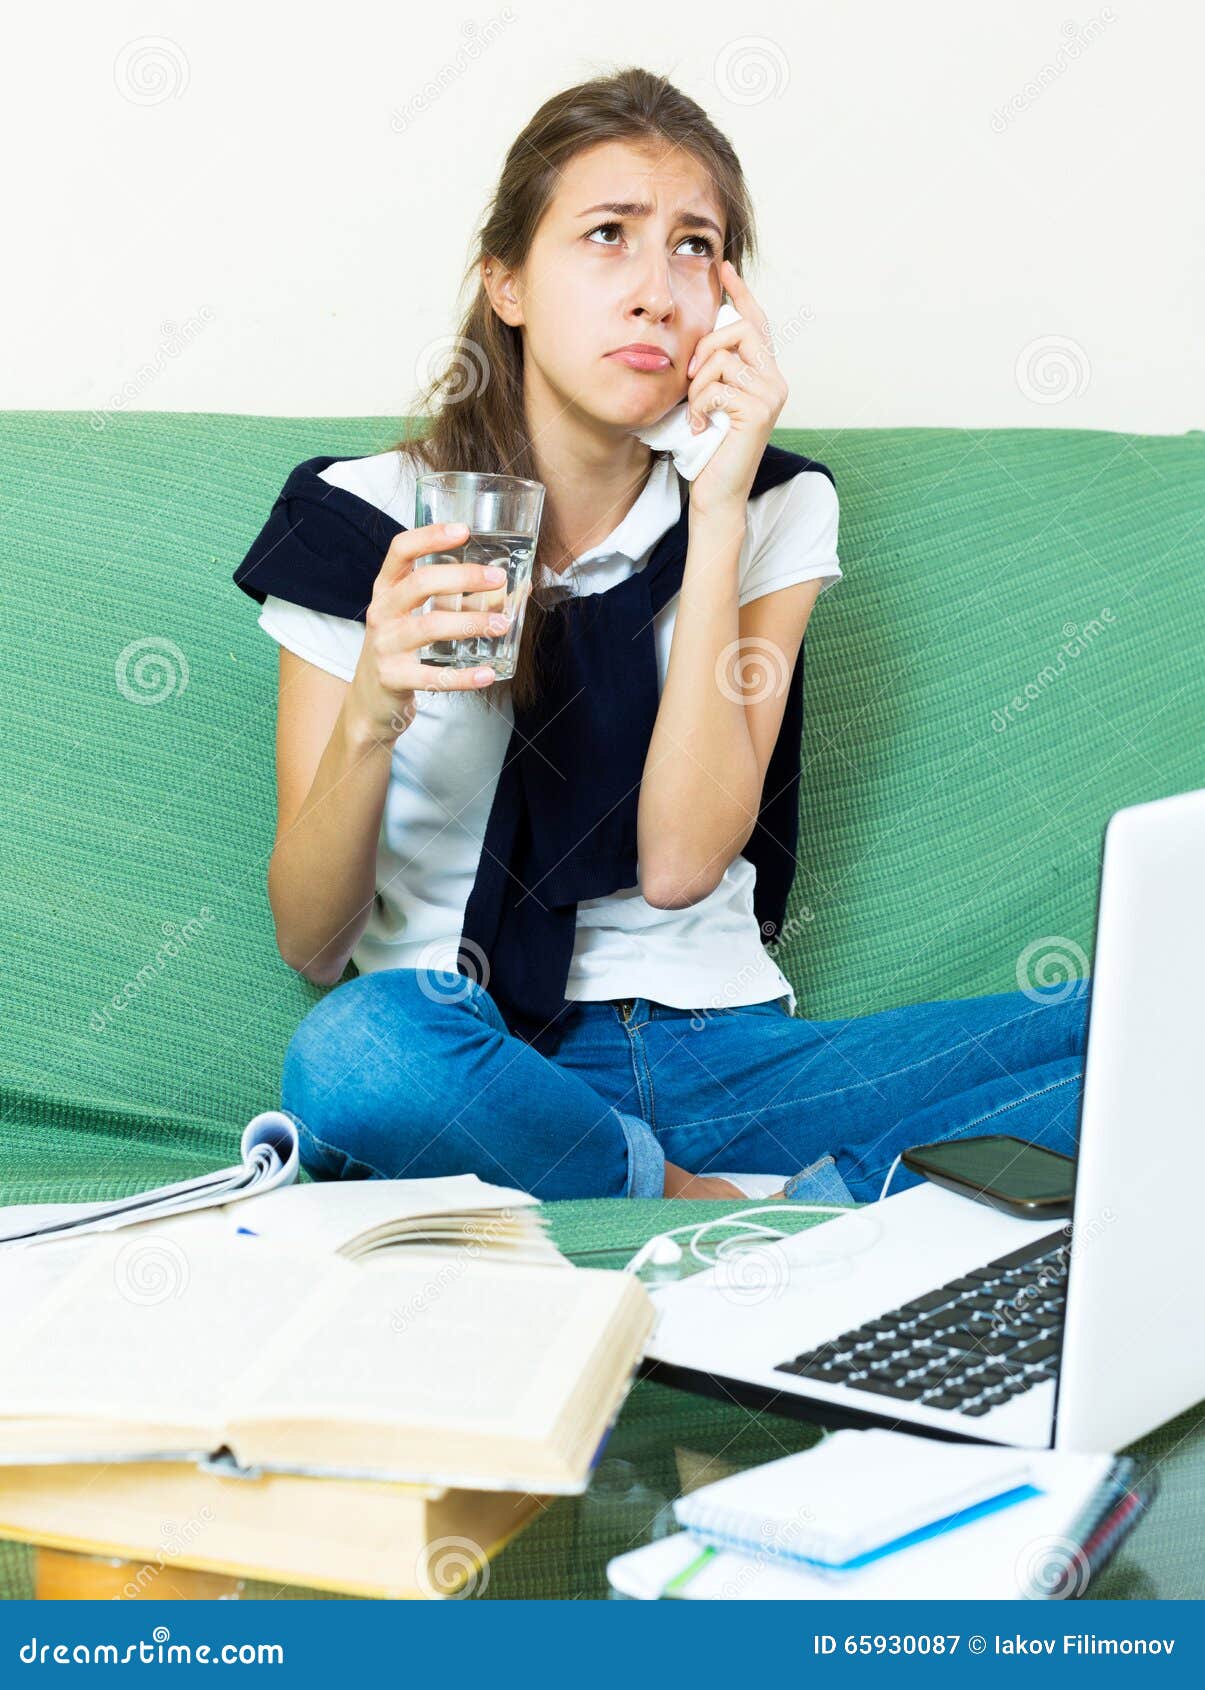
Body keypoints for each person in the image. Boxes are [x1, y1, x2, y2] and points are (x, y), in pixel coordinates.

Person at [234, 67, 1090, 1205]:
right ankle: (732, 1202)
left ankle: (801, 1197)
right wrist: (374, 712)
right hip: (474, 1047)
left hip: (727, 1056)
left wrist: (719, 505)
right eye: (605, 235)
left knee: (1157, 1011)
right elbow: (309, 937)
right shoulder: (365, 519)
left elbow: (684, 865)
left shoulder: (776, 505)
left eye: (694, 247)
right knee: (355, 1052)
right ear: (507, 283)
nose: (654, 291)